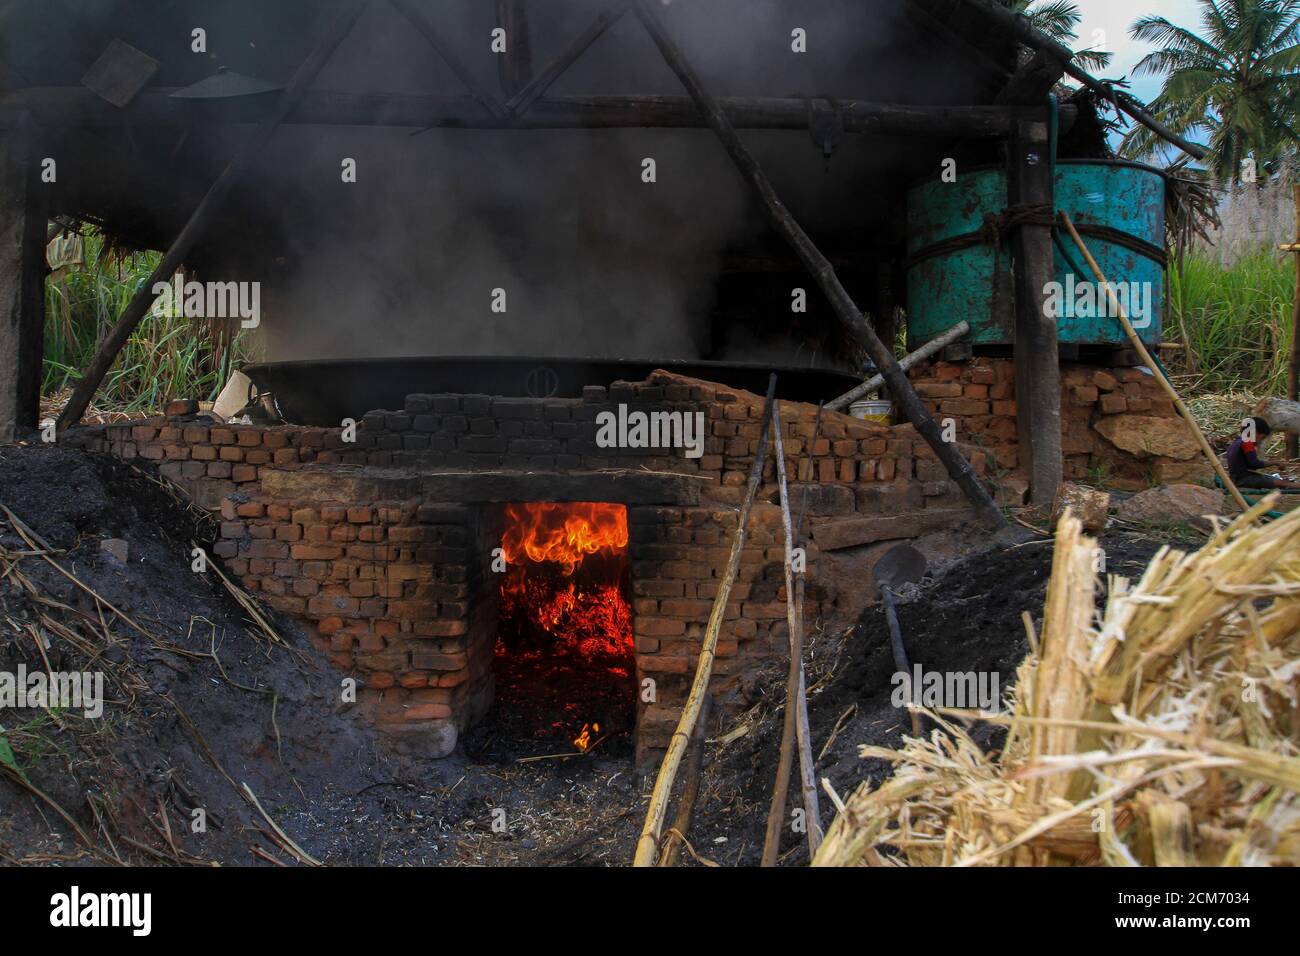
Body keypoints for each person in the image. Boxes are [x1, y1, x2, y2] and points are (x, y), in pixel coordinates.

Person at [1226, 417, 1300, 490]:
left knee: (1270, 478)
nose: (1260, 441)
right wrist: (1275, 462)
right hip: (1243, 480)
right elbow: (1255, 464)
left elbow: (1247, 464)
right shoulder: (1247, 443)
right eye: (1262, 438)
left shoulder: (1237, 442)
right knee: (1282, 482)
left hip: (1235, 478)